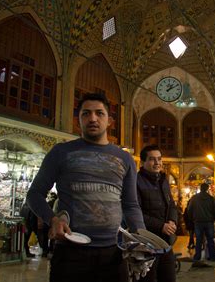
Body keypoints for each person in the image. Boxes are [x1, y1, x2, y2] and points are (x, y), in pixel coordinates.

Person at [26, 92, 145, 282]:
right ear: (78, 120)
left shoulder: (125, 159)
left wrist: (141, 239)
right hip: (70, 253)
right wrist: (53, 219)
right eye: (86, 114)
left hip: (113, 254)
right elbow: (35, 194)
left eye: (99, 113)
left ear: (110, 121)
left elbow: (131, 205)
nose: (93, 118)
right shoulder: (61, 152)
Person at [136, 145, 177, 282]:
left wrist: (172, 221)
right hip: (147, 245)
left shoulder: (163, 180)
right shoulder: (136, 182)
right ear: (143, 162)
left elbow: (171, 204)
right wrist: (161, 226)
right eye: (152, 159)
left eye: (159, 159)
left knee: (169, 277)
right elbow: (136, 213)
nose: (157, 163)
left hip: (166, 243)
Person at [187, 183, 215, 261]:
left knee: (198, 240)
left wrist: (192, 219)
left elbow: (189, 210)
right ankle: (212, 256)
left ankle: (197, 256)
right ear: (207, 189)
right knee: (210, 239)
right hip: (209, 222)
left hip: (198, 222)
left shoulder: (194, 198)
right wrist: (214, 218)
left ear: (200, 188)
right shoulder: (211, 198)